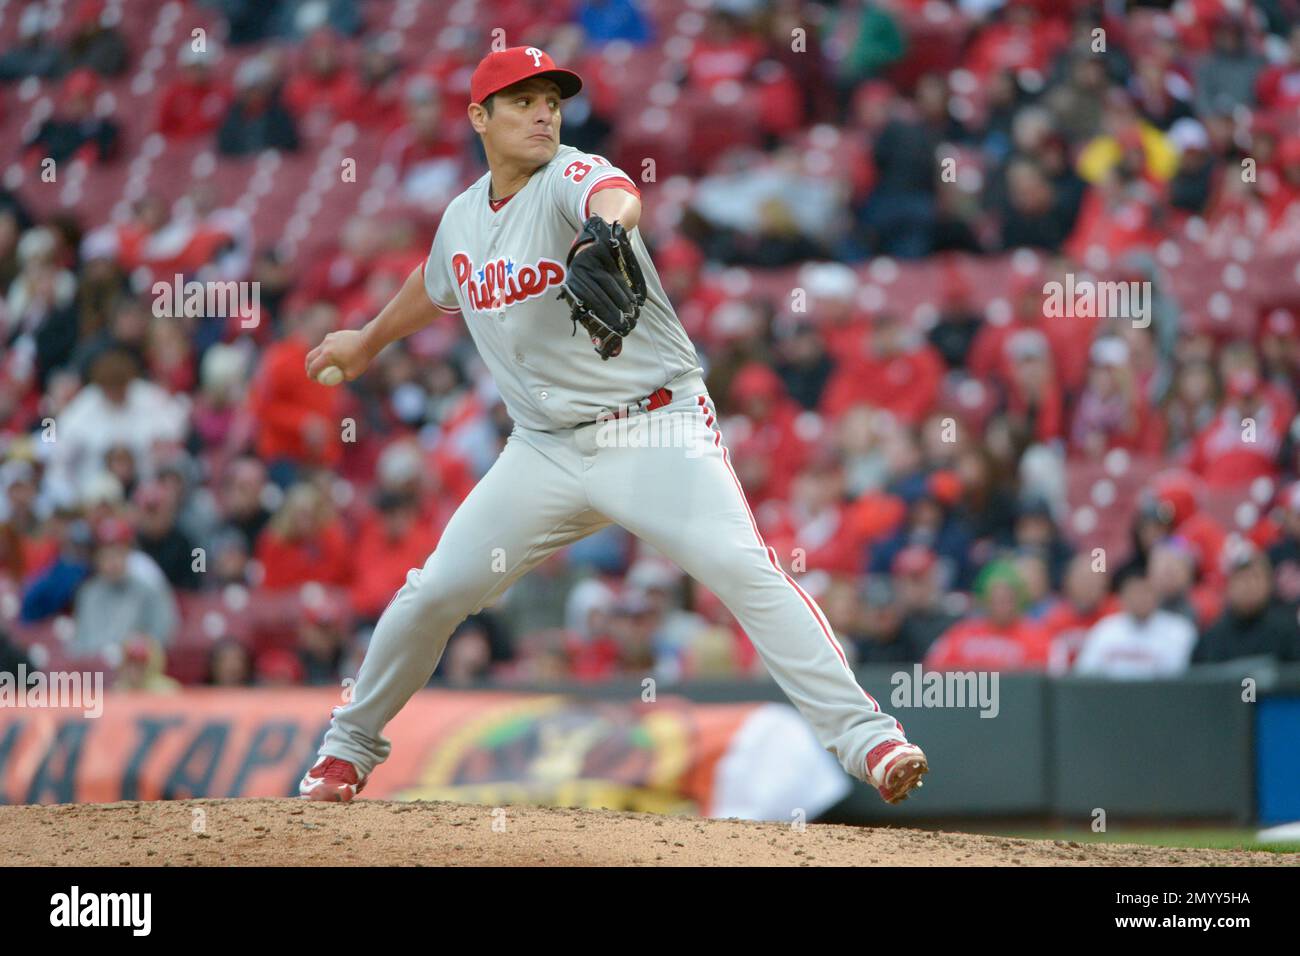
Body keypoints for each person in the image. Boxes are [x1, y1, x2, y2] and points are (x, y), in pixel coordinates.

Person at [299, 46, 927, 805]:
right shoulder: (464, 217)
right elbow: (437, 283)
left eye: (551, 101)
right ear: (478, 117)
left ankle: (870, 740)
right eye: (522, 100)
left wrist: (607, 232)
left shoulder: (566, 177)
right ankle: (346, 751)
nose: (542, 112)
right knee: (434, 592)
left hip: (655, 429)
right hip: (543, 451)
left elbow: (616, 192)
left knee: (745, 572)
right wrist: (367, 340)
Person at [1074, 570, 1197, 679]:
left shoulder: (1179, 630)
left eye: (1145, 592)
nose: (1140, 599)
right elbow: (1085, 675)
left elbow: (1179, 678)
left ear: (1156, 595)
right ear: (1122, 599)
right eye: (1134, 593)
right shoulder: (1105, 629)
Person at [1193, 546, 1300, 665]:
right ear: (1228, 586)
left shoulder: (1288, 631)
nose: (1249, 585)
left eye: (1255, 577)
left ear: (1269, 584)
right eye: (1241, 579)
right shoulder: (1211, 639)